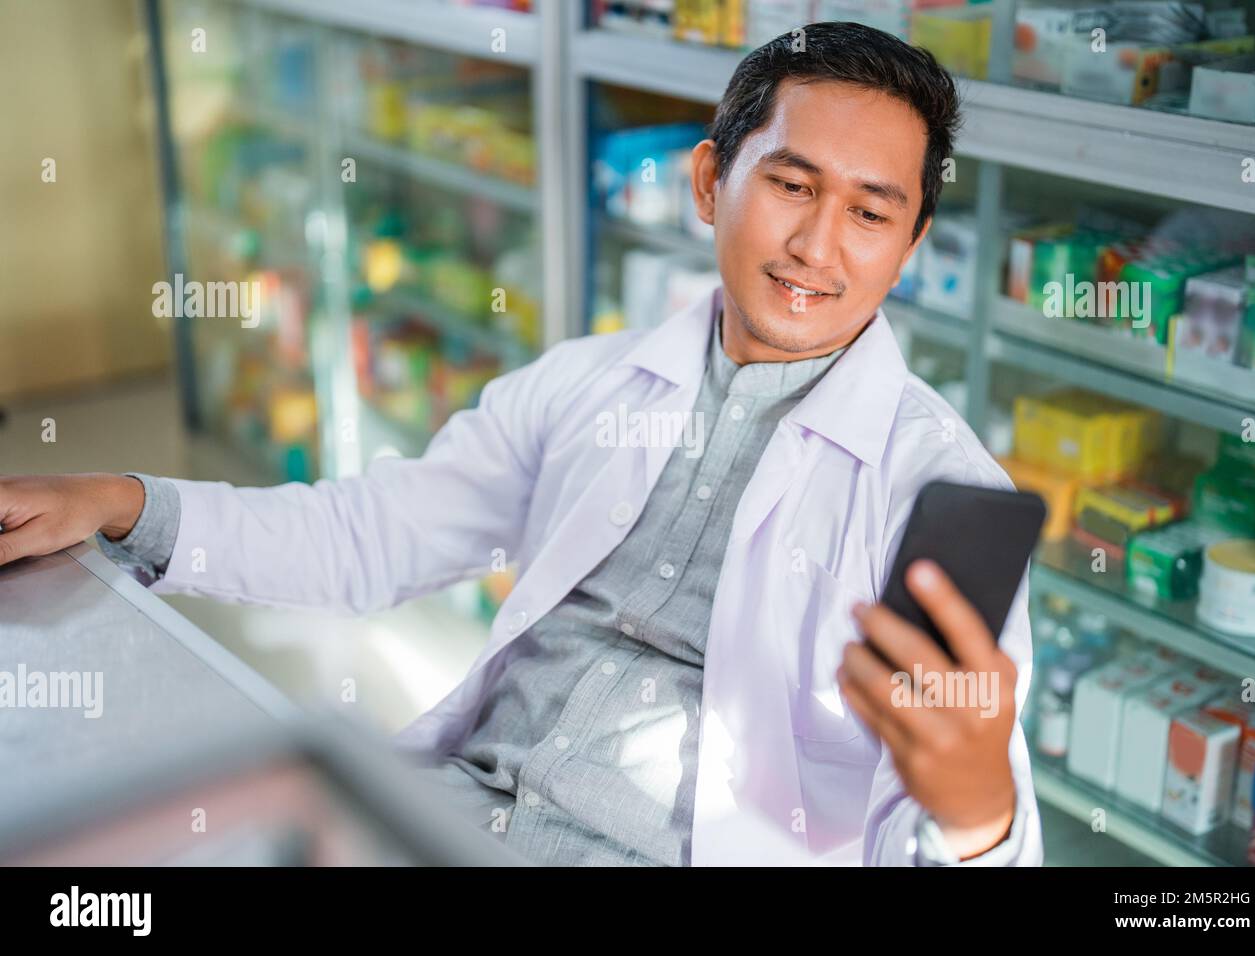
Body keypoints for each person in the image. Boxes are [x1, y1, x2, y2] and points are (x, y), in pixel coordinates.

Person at [0, 22, 1040, 867]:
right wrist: (128, 501)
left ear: (907, 250)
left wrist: (979, 815)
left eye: (871, 211)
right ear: (709, 182)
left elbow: (962, 813)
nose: (818, 246)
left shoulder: (936, 491)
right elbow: (370, 532)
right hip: (442, 816)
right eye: (792, 185)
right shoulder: (587, 383)